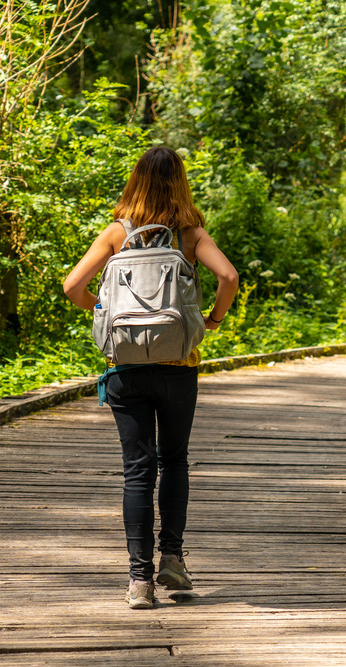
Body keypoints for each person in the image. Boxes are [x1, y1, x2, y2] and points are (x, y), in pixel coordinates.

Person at [63, 146, 238, 609]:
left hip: (125, 370)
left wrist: (100, 310)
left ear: (135, 182)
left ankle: (139, 582)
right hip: (178, 367)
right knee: (174, 461)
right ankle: (173, 561)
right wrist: (212, 322)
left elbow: (71, 286)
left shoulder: (117, 233)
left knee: (136, 470)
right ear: (180, 183)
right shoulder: (189, 234)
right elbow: (229, 277)